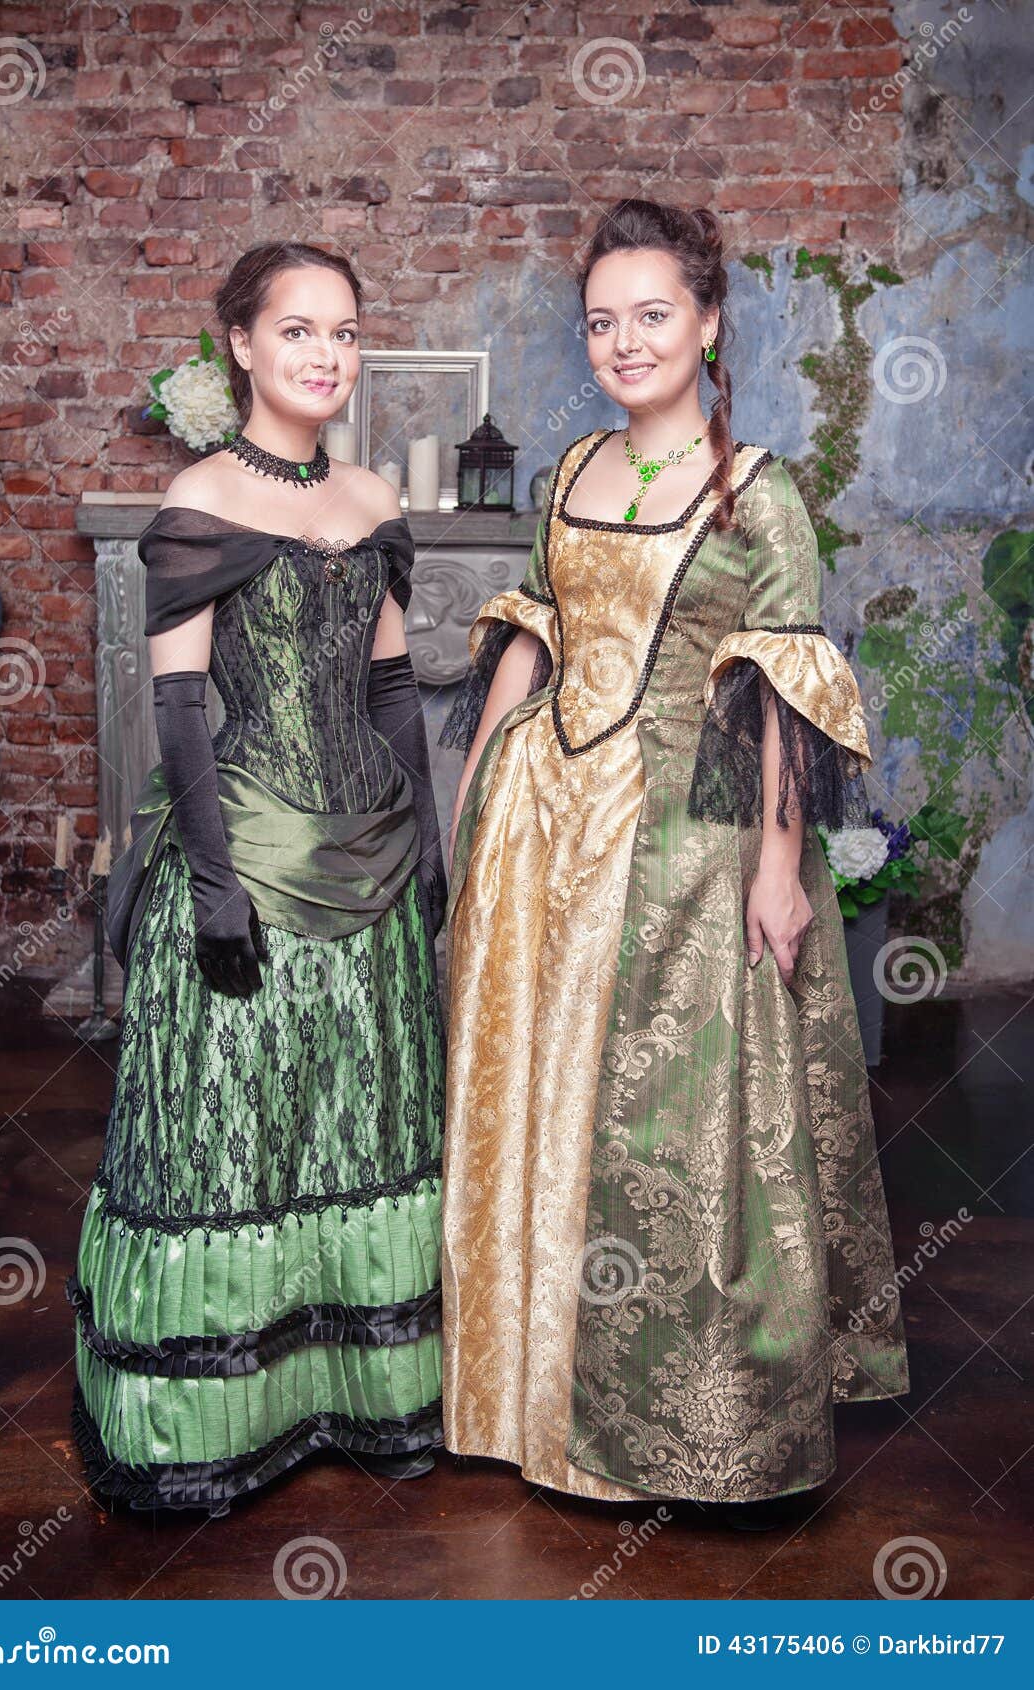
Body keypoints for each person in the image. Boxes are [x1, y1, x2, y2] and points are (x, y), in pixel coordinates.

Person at [438, 198, 909, 1520]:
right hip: (549, 826)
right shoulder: (572, 469)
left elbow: (775, 679)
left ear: (708, 322)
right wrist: (475, 789)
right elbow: (531, 627)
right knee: (536, 1092)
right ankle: (516, 1399)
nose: (626, 340)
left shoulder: (759, 487)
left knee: (674, 1122)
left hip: (688, 838)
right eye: (603, 319)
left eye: (654, 314)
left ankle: (668, 1420)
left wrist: (775, 859)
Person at [67, 242, 447, 1514]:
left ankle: (354, 1395)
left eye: (343, 332)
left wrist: (430, 842)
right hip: (245, 852)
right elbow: (178, 708)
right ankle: (212, 1417)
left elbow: (391, 687)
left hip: (372, 857)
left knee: (353, 1118)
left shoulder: (371, 493)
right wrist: (215, 886)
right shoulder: (201, 496)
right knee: (238, 1139)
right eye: (297, 331)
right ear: (240, 342)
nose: (324, 355)